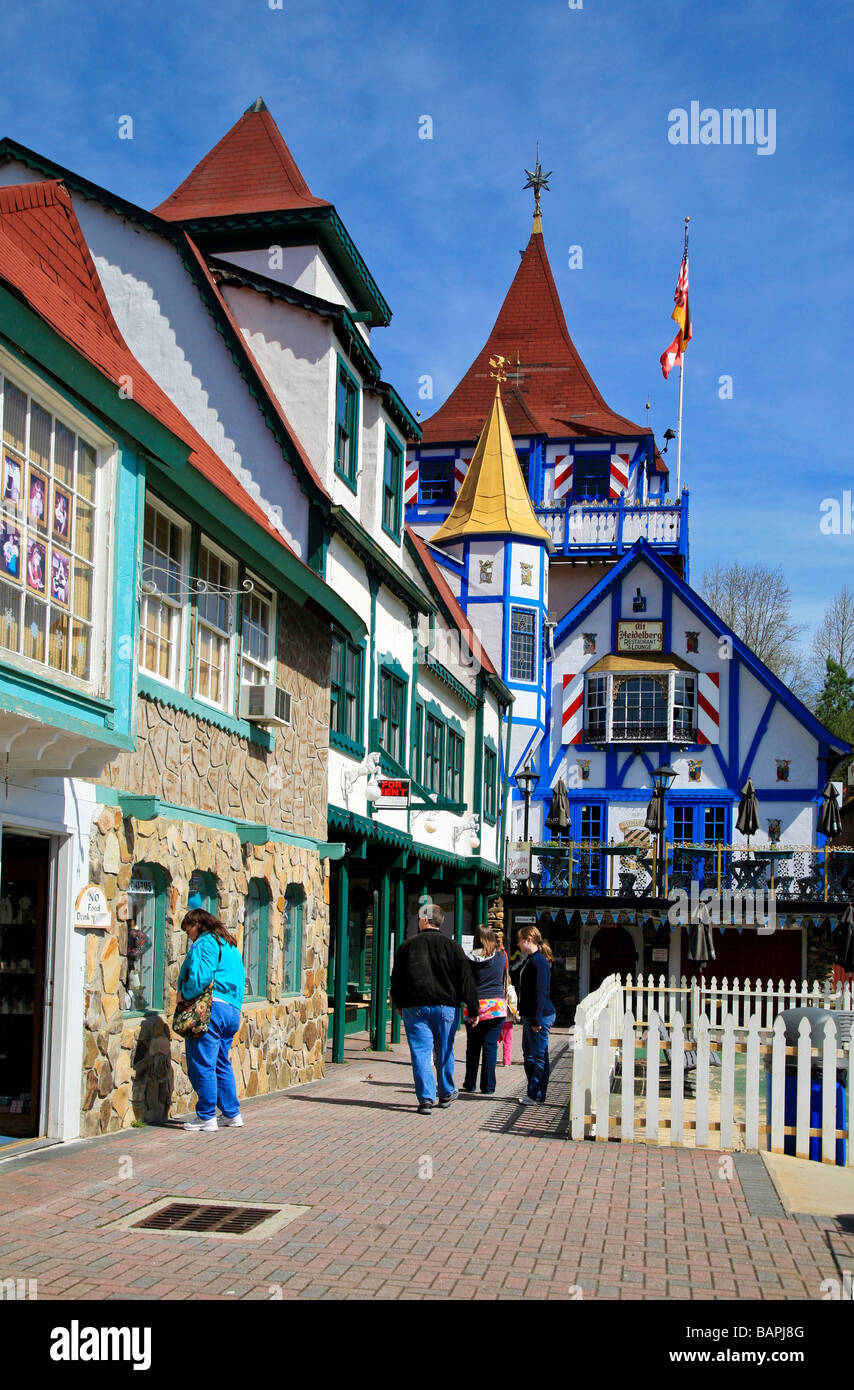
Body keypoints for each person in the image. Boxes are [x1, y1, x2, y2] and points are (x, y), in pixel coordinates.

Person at [390, 900, 479, 1114]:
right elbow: (466, 979)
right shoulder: (453, 947)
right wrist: (473, 1009)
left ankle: (426, 1099)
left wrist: (399, 1003)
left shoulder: (407, 946)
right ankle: (446, 1092)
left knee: (421, 1052)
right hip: (446, 1006)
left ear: (424, 919)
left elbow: (397, 979)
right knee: (445, 1049)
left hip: (415, 1006)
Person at [176, 907, 246, 1131]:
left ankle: (206, 1116)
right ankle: (231, 1114)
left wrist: (184, 994)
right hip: (232, 1010)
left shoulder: (206, 942)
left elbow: (201, 976)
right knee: (220, 1062)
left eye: (188, 930)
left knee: (202, 1063)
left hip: (212, 1009)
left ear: (197, 925)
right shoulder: (230, 945)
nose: (189, 936)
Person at [461, 923, 507, 1094]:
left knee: (472, 1047)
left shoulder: (469, 959)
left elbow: (466, 982)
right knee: (490, 1047)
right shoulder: (501, 957)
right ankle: (488, 1086)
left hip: (475, 1006)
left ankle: (469, 1083)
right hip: (496, 1005)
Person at [515, 925, 556, 1105]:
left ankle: (536, 1094)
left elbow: (540, 992)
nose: (518, 944)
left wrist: (536, 1019)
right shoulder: (531, 960)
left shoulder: (538, 962)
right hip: (532, 1014)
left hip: (539, 1015)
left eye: (519, 940)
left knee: (538, 1056)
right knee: (530, 1054)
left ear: (528, 940)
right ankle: (535, 1092)